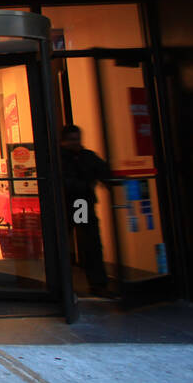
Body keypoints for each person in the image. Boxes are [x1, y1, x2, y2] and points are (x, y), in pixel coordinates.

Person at [59, 124, 112, 295]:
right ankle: (95, 284)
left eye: (77, 139)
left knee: (88, 243)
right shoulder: (80, 157)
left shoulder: (80, 157)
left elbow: (104, 172)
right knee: (87, 242)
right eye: (72, 140)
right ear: (64, 141)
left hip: (77, 203)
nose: (75, 143)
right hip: (77, 203)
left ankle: (93, 284)